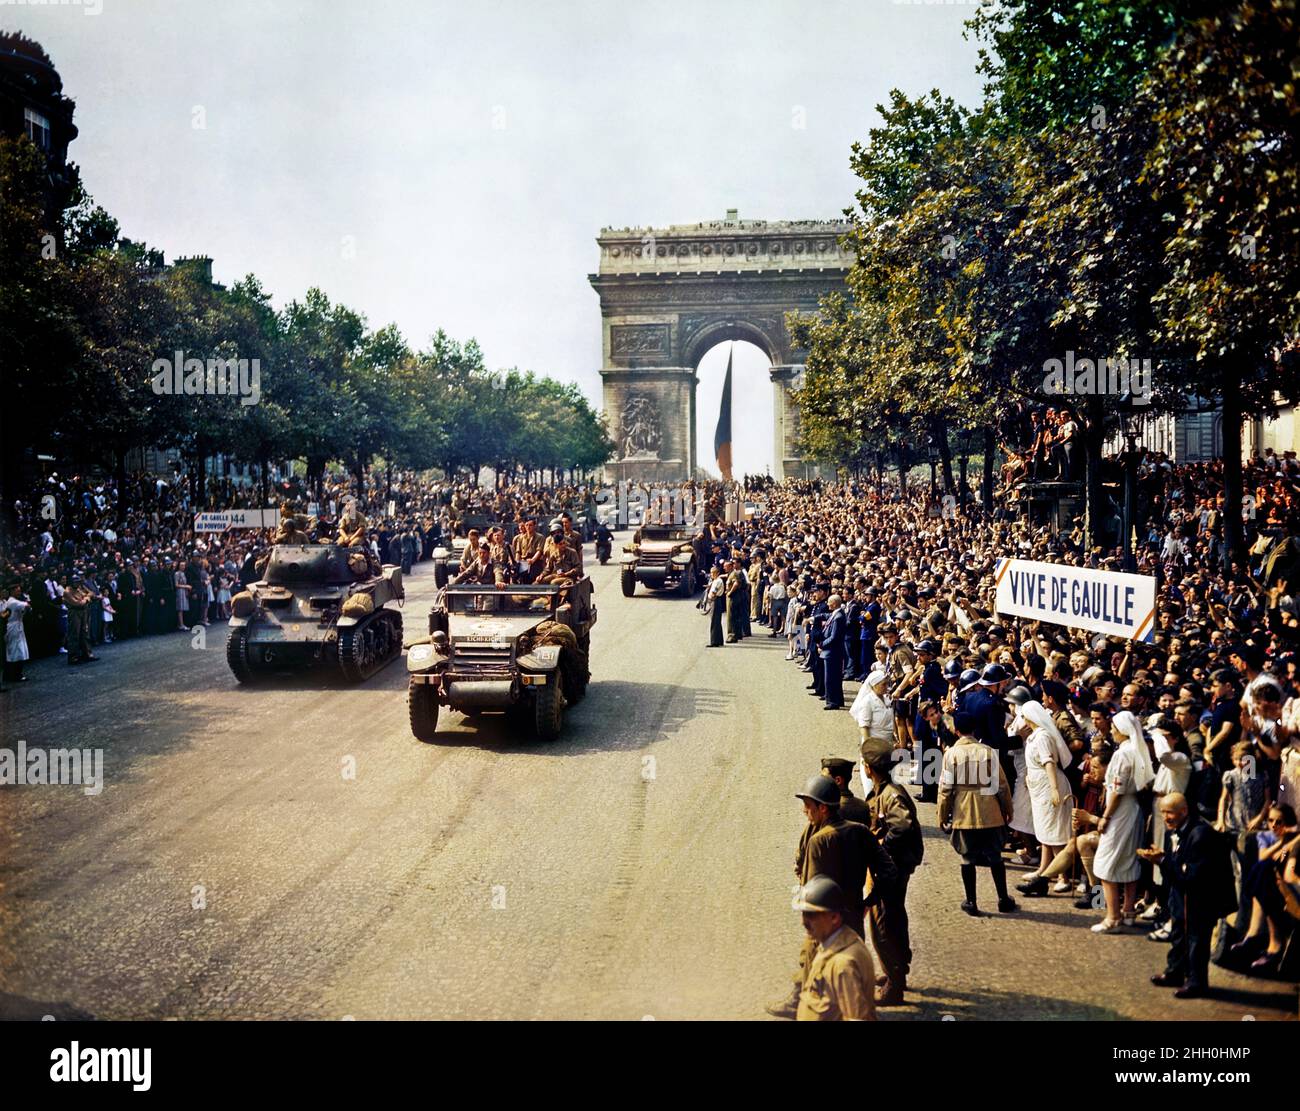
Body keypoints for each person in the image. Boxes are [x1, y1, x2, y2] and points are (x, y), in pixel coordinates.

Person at [1145, 792, 1237, 998]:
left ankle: (1197, 982)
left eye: (1170, 812)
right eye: (1163, 813)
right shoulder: (1173, 832)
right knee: (1178, 934)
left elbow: (1193, 874)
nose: (1165, 817)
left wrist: (1162, 861)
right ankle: (1174, 973)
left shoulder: (1201, 834)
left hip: (1202, 897)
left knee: (1196, 940)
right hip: (1181, 895)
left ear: (1184, 811)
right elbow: (1176, 865)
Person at [860, 737, 922, 1006]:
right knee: (891, 917)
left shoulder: (890, 795)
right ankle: (895, 973)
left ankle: (894, 984)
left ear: (869, 768)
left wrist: (881, 846)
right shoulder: (882, 790)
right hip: (891, 866)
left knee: (883, 923)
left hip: (891, 868)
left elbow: (903, 826)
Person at [938, 710, 1016, 915]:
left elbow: (945, 790)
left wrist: (942, 814)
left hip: (964, 812)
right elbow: (1002, 785)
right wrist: (1008, 809)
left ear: (956, 731)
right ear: (974, 729)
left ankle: (971, 901)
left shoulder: (951, 754)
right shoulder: (987, 751)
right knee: (995, 856)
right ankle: (1003, 899)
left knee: (967, 858)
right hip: (990, 810)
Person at [1090, 709, 1154, 933]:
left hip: (1120, 812)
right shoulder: (1136, 751)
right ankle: (1128, 911)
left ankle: (1112, 917)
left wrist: (1105, 817)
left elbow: (1116, 790)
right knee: (1128, 861)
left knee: (1107, 864)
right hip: (1132, 810)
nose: (1113, 731)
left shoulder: (1122, 754)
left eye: (1115, 728)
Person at [791, 876, 877, 1022]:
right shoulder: (832, 942)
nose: (803, 922)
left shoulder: (843, 965)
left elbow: (856, 1018)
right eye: (803, 914)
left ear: (834, 917)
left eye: (811, 915)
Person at [1014, 700, 1075, 897]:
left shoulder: (1042, 737)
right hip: (1038, 788)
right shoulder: (1033, 737)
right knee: (1044, 831)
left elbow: (1049, 762)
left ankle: (1062, 876)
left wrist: (1055, 789)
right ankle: (1044, 870)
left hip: (1049, 786)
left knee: (1055, 832)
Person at [819, 593, 847, 710]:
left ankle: (832, 701)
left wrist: (822, 644)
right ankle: (838, 699)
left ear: (834, 603)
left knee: (830, 678)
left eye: (829, 602)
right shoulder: (836, 614)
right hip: (832, 651)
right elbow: (826, 616)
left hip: (833, 651)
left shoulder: (839, 617)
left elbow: (834, 637)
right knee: (835, 677)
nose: (827, 604)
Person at [2, 584, 32, 683]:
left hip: (16, 625)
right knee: (16, 650)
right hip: (14, 626)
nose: (19, 592)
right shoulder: (13, 602)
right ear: (12, 591)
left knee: (15, 649)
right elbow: (27, 606)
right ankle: (16, 675)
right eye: (17, 591)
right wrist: (27, 600)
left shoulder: (9, 601)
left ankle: (12, 674)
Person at [704, 564, 726, 647]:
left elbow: (714, 592)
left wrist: (710, 598)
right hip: (715, 601)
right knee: (716, 621)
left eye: (713, 573)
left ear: (717, 573)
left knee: (714, 622)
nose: (711, 575)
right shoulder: (715, 581)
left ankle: (714, 642)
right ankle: (719, 640)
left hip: (715, 601)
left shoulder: (718, 581)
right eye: (711, 573)